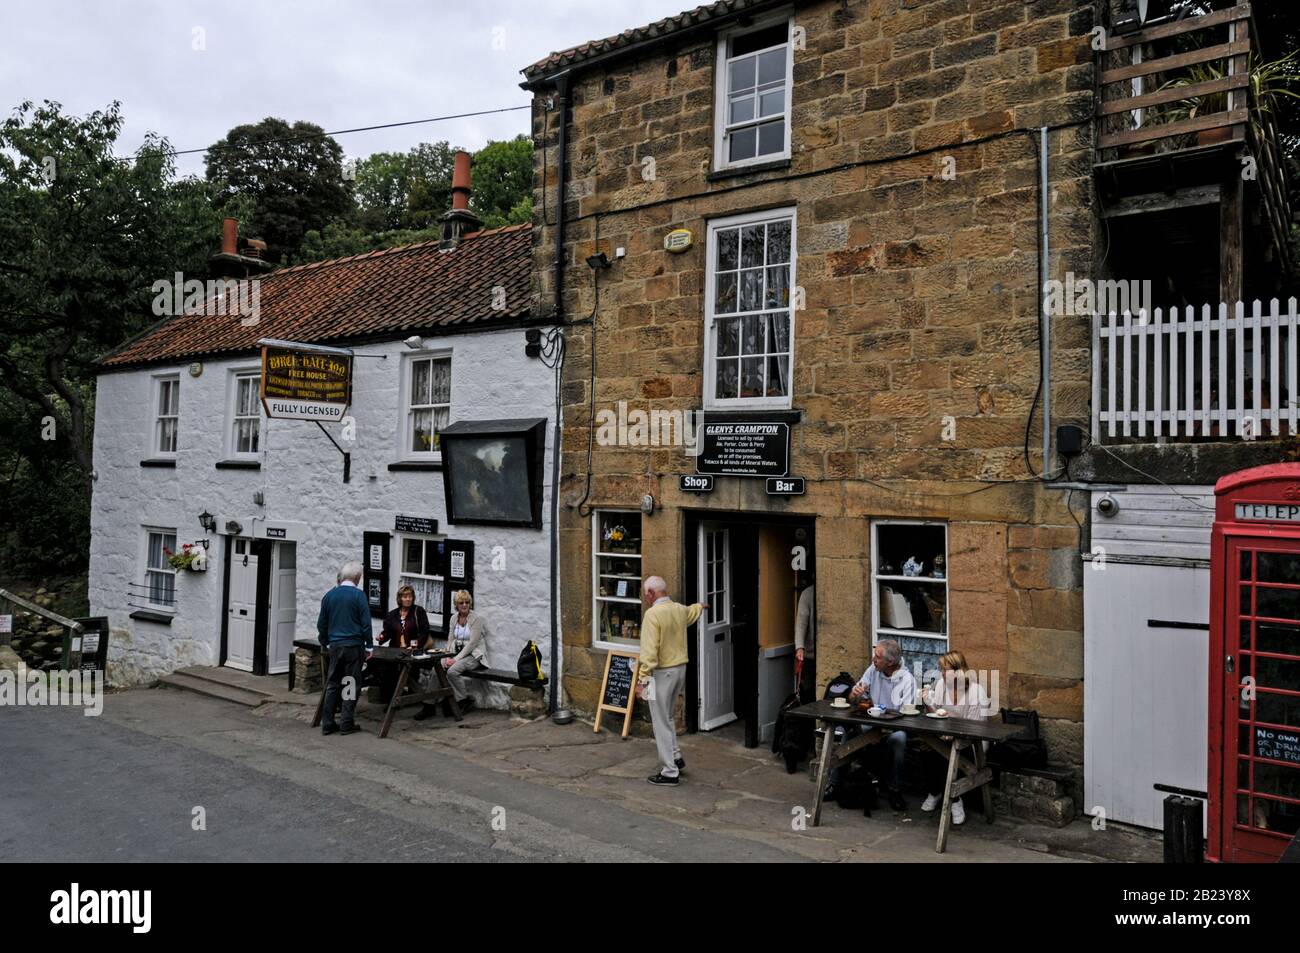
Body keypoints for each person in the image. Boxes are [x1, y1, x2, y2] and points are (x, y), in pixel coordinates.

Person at [828, 638, 916, 810]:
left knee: (899, 740)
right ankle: (834, 783)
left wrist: (883, 723)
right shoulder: (873, 670)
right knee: (849, 733)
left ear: (890, 662)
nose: (873, 660)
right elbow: (853, 699)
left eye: (877, 657)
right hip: (870, 722)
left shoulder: (907, 680)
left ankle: (894, 789)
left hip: (894, 726)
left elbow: (906, 715)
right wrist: (856, 694)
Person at [634, 576, 705, 786]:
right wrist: (701, 606)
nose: (645, 597)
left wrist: (642, 680)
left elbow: (649, 652)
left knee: (660, 722)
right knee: (669, 716)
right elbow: (692, 612)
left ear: (651, 593)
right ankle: (676, 756)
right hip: (679, 670)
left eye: (645, 593)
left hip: (661, 673)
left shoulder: (652, 615)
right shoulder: (678, 609)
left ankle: (669, 772)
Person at [920, 651, 992, 827]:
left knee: (948, 752)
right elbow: (935, 714)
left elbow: (976, 728)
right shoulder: (940, 686)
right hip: (945, 736)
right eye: (941, 670)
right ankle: (936, 790)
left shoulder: (976, 692)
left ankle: (955, 799)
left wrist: (952, 735)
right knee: (927, 747)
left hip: (972, 742)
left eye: (946, 670)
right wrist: (928, 702)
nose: (942, 674)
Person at [317, 561, 373, 736]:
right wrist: (369, 646)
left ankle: (327, 723)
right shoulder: (358, 596)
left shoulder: (329, 596)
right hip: (353, 646)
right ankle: (346, 722)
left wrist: (324, 641)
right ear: (357, 577)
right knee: (350, 683)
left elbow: (322, 624)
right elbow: (366, 624)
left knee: (332, 683)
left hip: (335, 645)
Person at [417, 589, 489, 718]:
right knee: (437, 669)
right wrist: (447, 657)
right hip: (456, 653)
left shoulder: (476, 619)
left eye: (467, 602)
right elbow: (450, 640)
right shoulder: (453, 618)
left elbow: (472, 643)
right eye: (461, 602)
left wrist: (455, 659)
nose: (465, 605)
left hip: (474, 655)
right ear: (456, 604)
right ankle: (429, 705)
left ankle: (463, 700)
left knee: (452, 671)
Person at [374, 585, 431, 703]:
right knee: (388, 671)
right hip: (395, 651)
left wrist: (416, 646)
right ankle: (389, 700)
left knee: (409, 673)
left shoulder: (418, 611)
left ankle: (411, 698)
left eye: (410, 596)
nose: (408, 599)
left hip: (412, 651)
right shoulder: (392, 615)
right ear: (400, 598)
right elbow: (387, 632)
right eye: (405, 596)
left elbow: (425, 632)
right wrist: (381, 637)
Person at [794, 581, 815, 699]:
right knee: (808, 689)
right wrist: (800, 647)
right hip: (810, 654)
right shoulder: (807, 594)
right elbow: (801, 623)